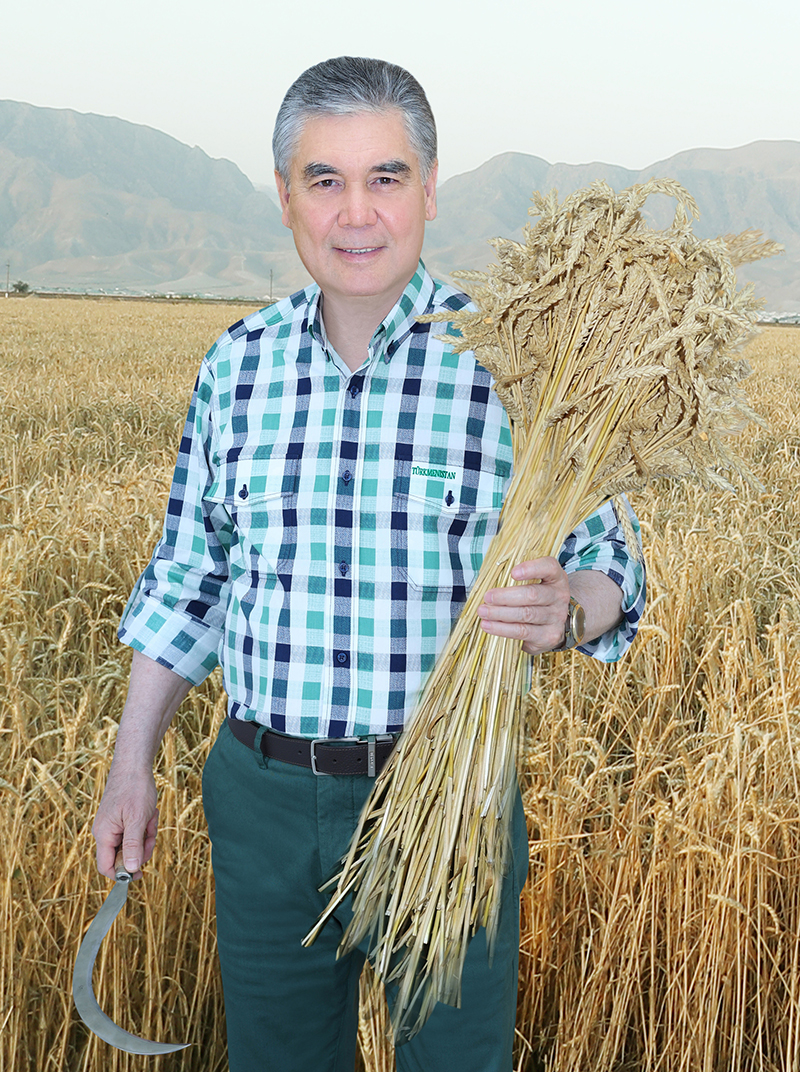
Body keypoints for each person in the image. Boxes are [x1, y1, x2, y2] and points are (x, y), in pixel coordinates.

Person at [92, 56, 645, 1072]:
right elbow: (188, 579)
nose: (357, 212)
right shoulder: (237, 365)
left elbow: (611, 563)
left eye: (385, 178)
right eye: (325, 179)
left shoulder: (517, 363)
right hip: (261, 798)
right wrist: (131, 763)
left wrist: (574, 601)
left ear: (429, 191)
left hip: (446, 801)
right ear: (285, 196)